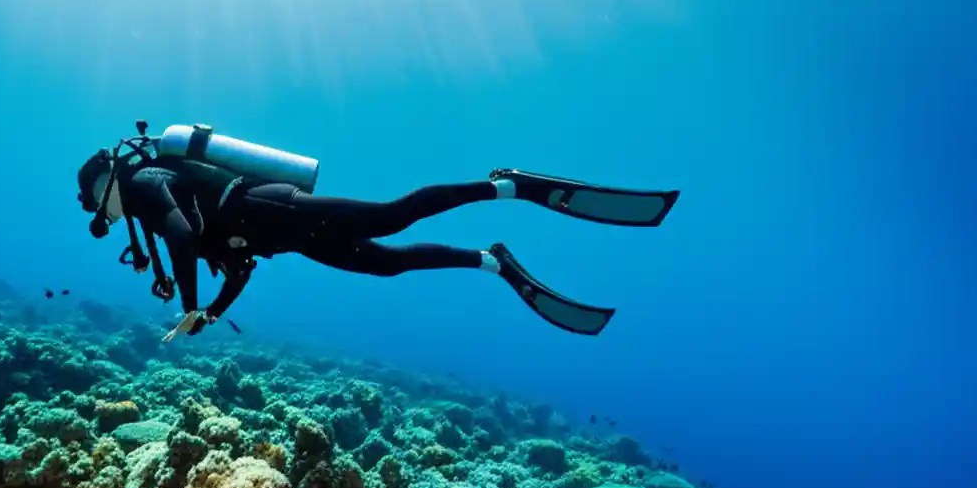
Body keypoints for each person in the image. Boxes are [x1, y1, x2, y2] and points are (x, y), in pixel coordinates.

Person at [77, 122, 679, 341]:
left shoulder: (143, 184)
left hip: (277, 209)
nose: (101, 215)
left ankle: (508, 184)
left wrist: (186, 305)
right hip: (290, 238)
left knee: (393, 214)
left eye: (93, 202)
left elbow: (184, 238)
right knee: (389, 263)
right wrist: (210, 311)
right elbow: (239, 264)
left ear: (105, 179)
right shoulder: (148, 209)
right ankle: (491, 260)